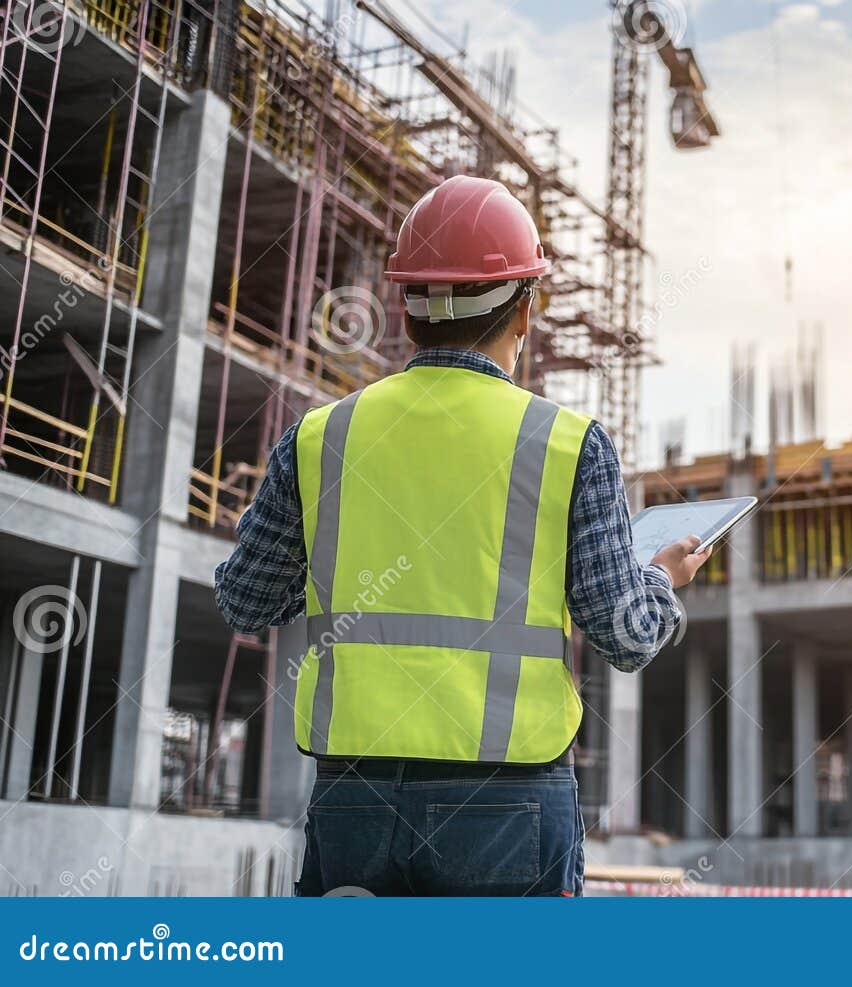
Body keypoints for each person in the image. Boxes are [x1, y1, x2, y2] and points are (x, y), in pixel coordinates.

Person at [213, 175, 706, 896]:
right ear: (524, 310)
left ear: (406, 310)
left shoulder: (322, 436)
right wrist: (661, 578)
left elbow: (245, 602)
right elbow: (628, 636)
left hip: (356, 797)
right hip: (506, 803)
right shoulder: (566, 444)